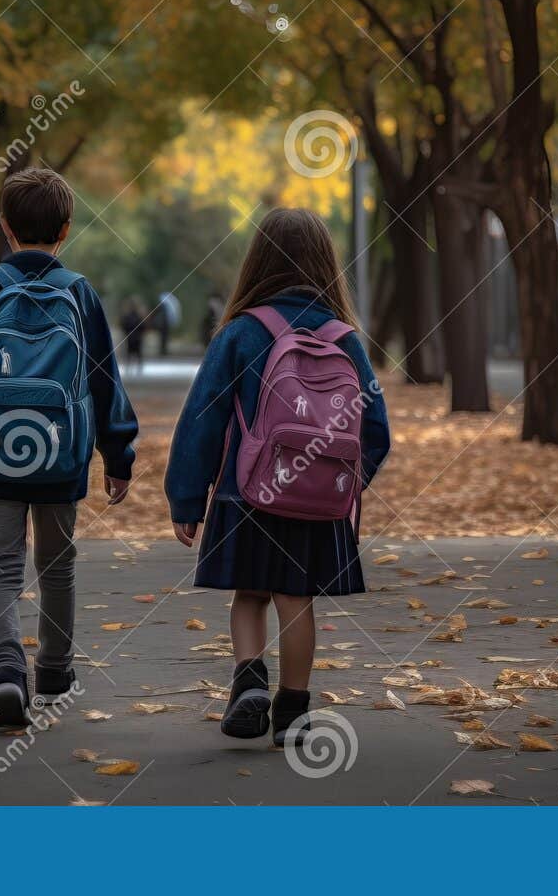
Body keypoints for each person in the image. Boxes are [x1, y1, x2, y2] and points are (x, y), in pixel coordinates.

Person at [164, 208, 390, 747]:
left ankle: (249, 684)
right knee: (297, 599)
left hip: (249, 495)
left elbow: (203, 418)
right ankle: (294, 707)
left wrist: (187, 499)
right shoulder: (347, 341)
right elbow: (375, 430)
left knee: (250, 594)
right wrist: (340, 485)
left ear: (257, 262)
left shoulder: (241, 333)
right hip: (317, 502)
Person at [0, 168, 138, 727]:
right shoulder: (79, 293)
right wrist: (118, 457)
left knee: (2, 566)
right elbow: (104, 381)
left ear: (5, 228)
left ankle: (5, 671)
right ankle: (55, 671)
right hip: (62, 457)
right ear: (66, 229)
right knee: (58, 565)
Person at [119, 296, 147, 374]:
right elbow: (143, 327)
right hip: (137, 338)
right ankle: (138, 368)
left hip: (130, 338)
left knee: (129, 354)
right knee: (138, 354)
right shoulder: (139, 317)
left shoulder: (127, 317)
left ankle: (129, 368)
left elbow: (123, 326)